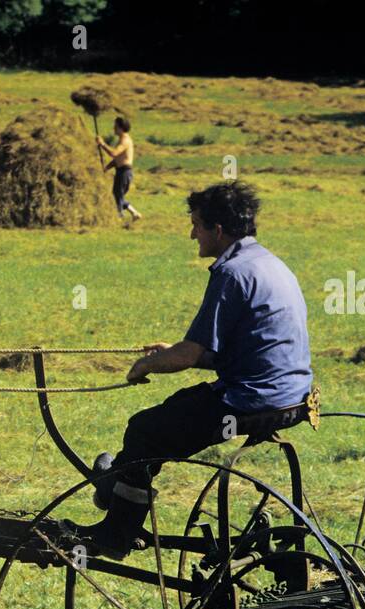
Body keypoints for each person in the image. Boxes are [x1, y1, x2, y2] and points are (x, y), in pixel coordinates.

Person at [80, 181, 314, 558]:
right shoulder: (271, 263)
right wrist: (174, 351)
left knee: (145, 429)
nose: (192, 234)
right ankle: (114, 480)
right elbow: (235, 347)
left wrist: (145, 364)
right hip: (292, 399)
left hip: (250, 402)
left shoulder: (232, 272)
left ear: (217, 230)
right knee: (177, 410)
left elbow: (189, 355)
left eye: (196, 225)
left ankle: (115, 532)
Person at [98, 116, 141, 225]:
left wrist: (102, 144)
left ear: (121, 128)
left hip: (124, 172)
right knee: (118, 195)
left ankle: (119, 218)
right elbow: (118, 159)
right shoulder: (122, 139)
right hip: (122, 171)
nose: (114, 128)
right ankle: (134, 213)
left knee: (116, 196)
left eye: (116, 126)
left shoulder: (125, 141)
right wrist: (107, 167)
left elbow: (114, 153)